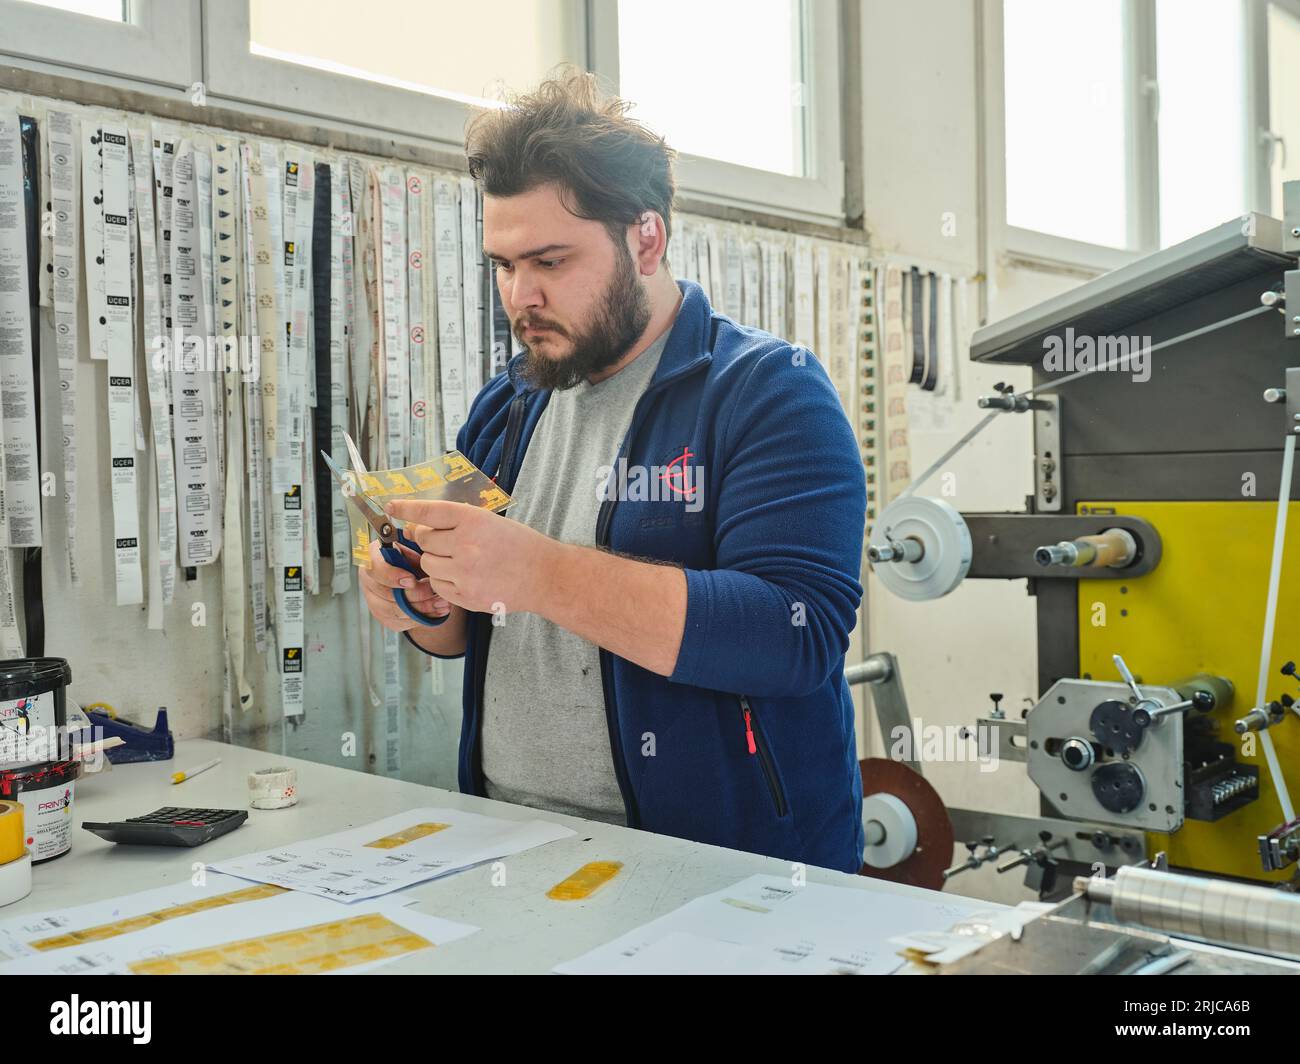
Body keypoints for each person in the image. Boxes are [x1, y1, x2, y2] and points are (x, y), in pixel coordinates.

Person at [360, 72, 867, 873]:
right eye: (502, 265)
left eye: (550, 261)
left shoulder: (770, 392)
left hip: (724, 875)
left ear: (647, 240)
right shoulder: (509, 403)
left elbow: (792, 633)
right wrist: (417, 598)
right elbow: (461, 630)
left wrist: (541, 574)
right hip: (515, 851)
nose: (520, 296)